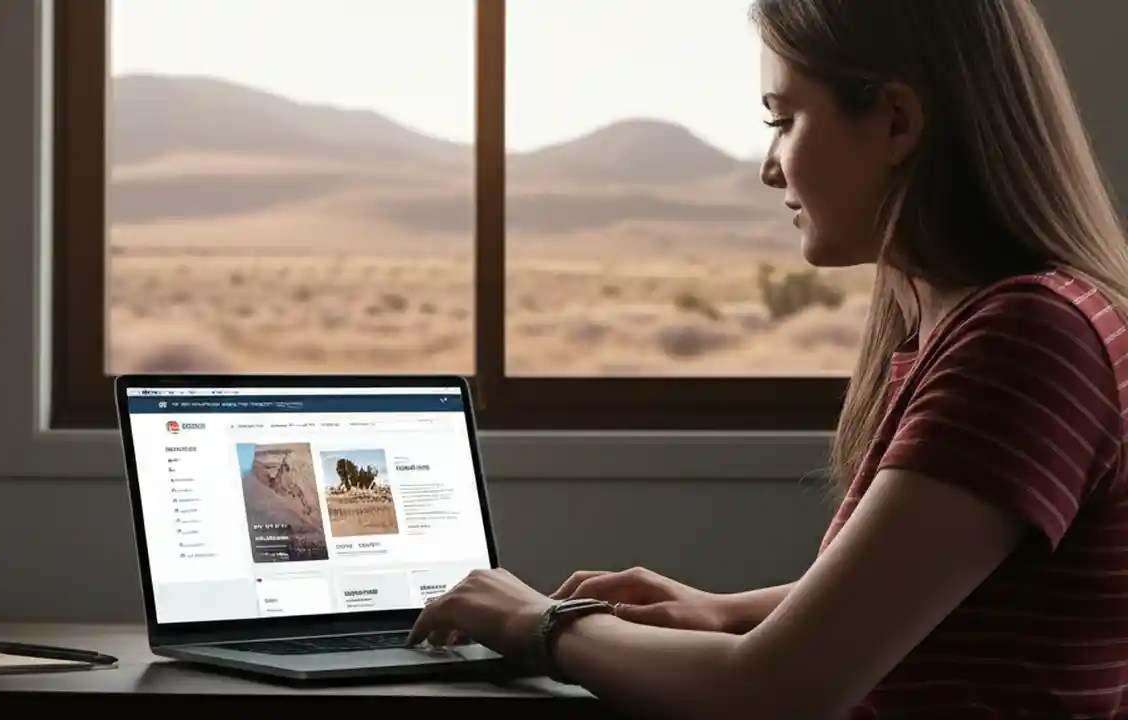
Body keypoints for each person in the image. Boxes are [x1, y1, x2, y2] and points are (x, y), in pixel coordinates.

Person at [405, 0, 1128, 717]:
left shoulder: (1027, 341)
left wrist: (535, 624)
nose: (770, 171)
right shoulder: (985, 325)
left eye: (782, 120)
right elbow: (944, 591)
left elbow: (774, 691)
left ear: (897, 122)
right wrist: (724, 612)